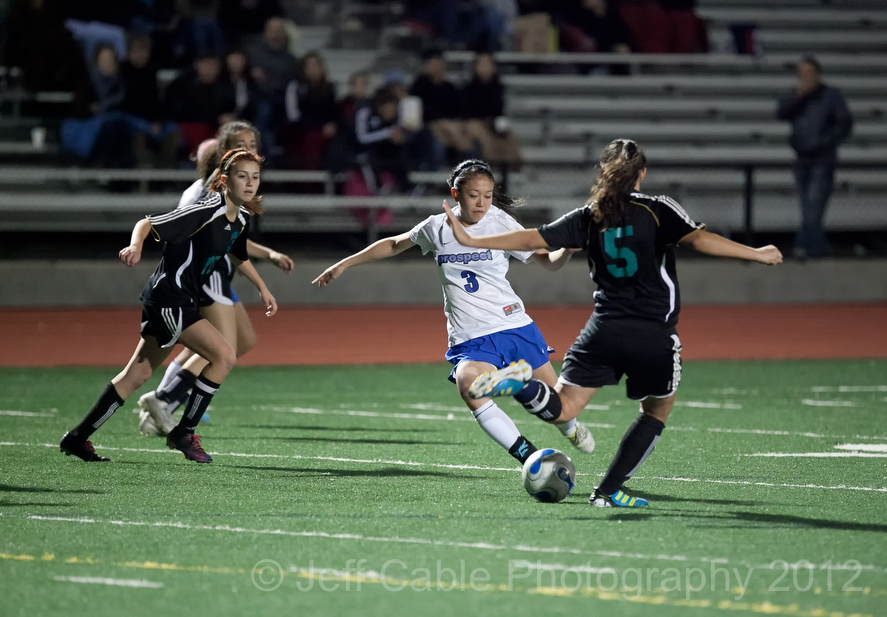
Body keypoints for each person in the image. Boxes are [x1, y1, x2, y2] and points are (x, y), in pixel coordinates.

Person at [440, 140, 783, 506]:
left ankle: (522, 385)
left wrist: (468, 235)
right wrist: (755, 253)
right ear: (642, 174)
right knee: (657, 410)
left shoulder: (590, 215)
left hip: (601, 329)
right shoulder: (656, 209)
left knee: (565, 406)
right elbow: (698, 240)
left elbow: (533, 237)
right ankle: (607, 491)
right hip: (652, 331)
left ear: (603, 174)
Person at [312, 159, 596, 466]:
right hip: (471, 338)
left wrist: (566, 249)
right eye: (474, 195)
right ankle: (530, 459)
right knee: (470, 388)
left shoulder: (500, 223)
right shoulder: (437, 227)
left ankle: (570, 427)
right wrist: (344, 263)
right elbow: (394, 244)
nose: (482, 203)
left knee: (557, 407)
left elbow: (547, 261)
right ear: (455, 194)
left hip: (514, 325)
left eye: (488, 195)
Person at [59, 147, 278, 463]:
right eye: (242, 176)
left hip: (175, 300)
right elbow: (148, 223)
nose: (249, 183)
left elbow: (238, 253)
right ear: (224, 178)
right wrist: (135, 246)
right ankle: (183, 433)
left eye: (254, 177)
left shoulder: (240, 217)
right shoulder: (205, 210)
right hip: (170, 298)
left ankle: (76, 438)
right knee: (224, 355)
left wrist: (262, 287)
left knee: (136, 374)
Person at [138, 121, 293, 435]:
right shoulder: (213, 189)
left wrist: (269, 255)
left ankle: (164, 400)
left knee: (241, 341)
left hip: (221, 273)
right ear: (225, 151)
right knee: (222, 349)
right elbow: (199, 233)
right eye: (242, 143)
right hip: (205, 275)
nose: (250, 149)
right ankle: (164, 401)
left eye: (253, 143)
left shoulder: (237, 184)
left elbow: (234, 238)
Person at [777, 55, 853, 259]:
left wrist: (826, 141)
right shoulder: (797, 96)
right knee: (807, 205)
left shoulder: (831, 96)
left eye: (809, 73)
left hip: (823, 158)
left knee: (814, 203)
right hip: (802, 157)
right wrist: (799, 97)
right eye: (802, 74)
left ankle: (809, 247)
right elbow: (781, 112)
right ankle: (815, 246)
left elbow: (844, 123)